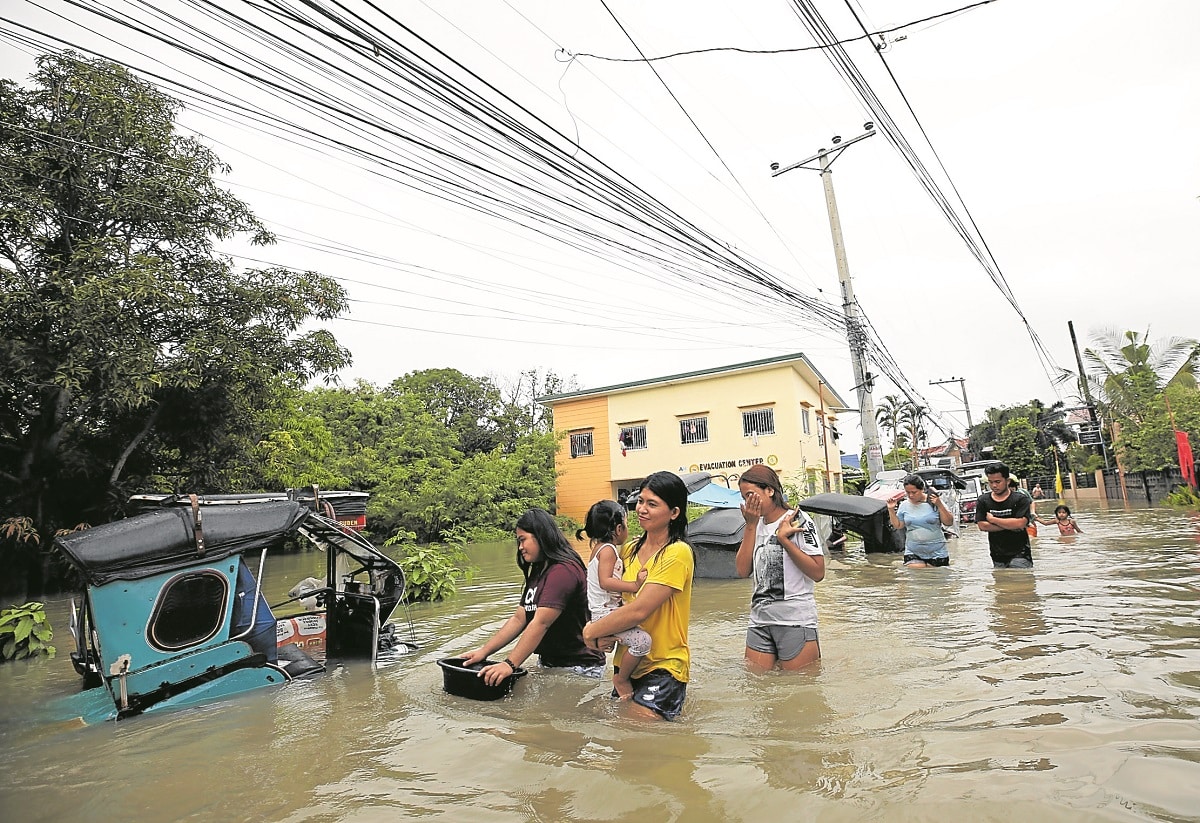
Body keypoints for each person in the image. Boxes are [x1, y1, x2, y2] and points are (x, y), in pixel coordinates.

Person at [583, 471, 694, 721]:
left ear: (674, 512)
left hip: (664, 664)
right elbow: (606, 593)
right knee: (621, 737)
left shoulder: (677, 553)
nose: (641, 509)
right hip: (627, 661)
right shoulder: (629, 549)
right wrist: (601, 634)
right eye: (641, 501)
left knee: (638, 731)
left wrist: (590, 632)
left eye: (652, 504)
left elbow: (638, 611)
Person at [461, 508, 604, 685]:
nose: (520, 547)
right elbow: (519, 618)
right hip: (551, 664)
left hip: (581, 668)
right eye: (518, 541)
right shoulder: (540, 569)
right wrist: (484, 652)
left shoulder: (563, 571)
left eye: (523, 540)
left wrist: (509, 664)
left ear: (541, 536)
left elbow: (541, 623)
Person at [734, 464, 825, 671]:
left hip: (795, 620)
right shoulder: (754, 524)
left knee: (799, 687)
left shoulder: (797, 519)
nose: (748, 503)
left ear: (769, 490)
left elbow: (818, 572)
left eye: (751, 495)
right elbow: (742, 570)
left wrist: (784, 541)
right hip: (759, 621)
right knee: (757, 684)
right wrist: (750, 526)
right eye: (744, 497)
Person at [578, 499, 651, 700]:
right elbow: (605, 582)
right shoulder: (608, 551)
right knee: (643, 642)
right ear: (619, 529)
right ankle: (621, 678)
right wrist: (635, 585)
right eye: (626, 524)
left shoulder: (600, 549)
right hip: (606, 613)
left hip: (602, 612)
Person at [887, 473, 953, 567]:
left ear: (922, 489)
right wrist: (891, 509)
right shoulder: (904, 505)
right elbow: (898, 525)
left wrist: (940, 505)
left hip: (937, 551)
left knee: (937, 574)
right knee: (917, 570)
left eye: (914, 492)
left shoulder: (934, 501)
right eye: (908, 492)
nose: (911, 495)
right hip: (913, 551)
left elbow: (949, 522)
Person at [976, 462, 1034, 568]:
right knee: (1001, 578)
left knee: (1020, 577)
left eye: (998, 482)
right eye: (990, 482)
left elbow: (1021, 524)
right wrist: (1010, 525)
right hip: (997, 555)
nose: (994, 485)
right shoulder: (983, 500)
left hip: (1020, 554)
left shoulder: (1020, 499)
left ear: (1007, 481)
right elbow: (982, 526)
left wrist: (993, 520)